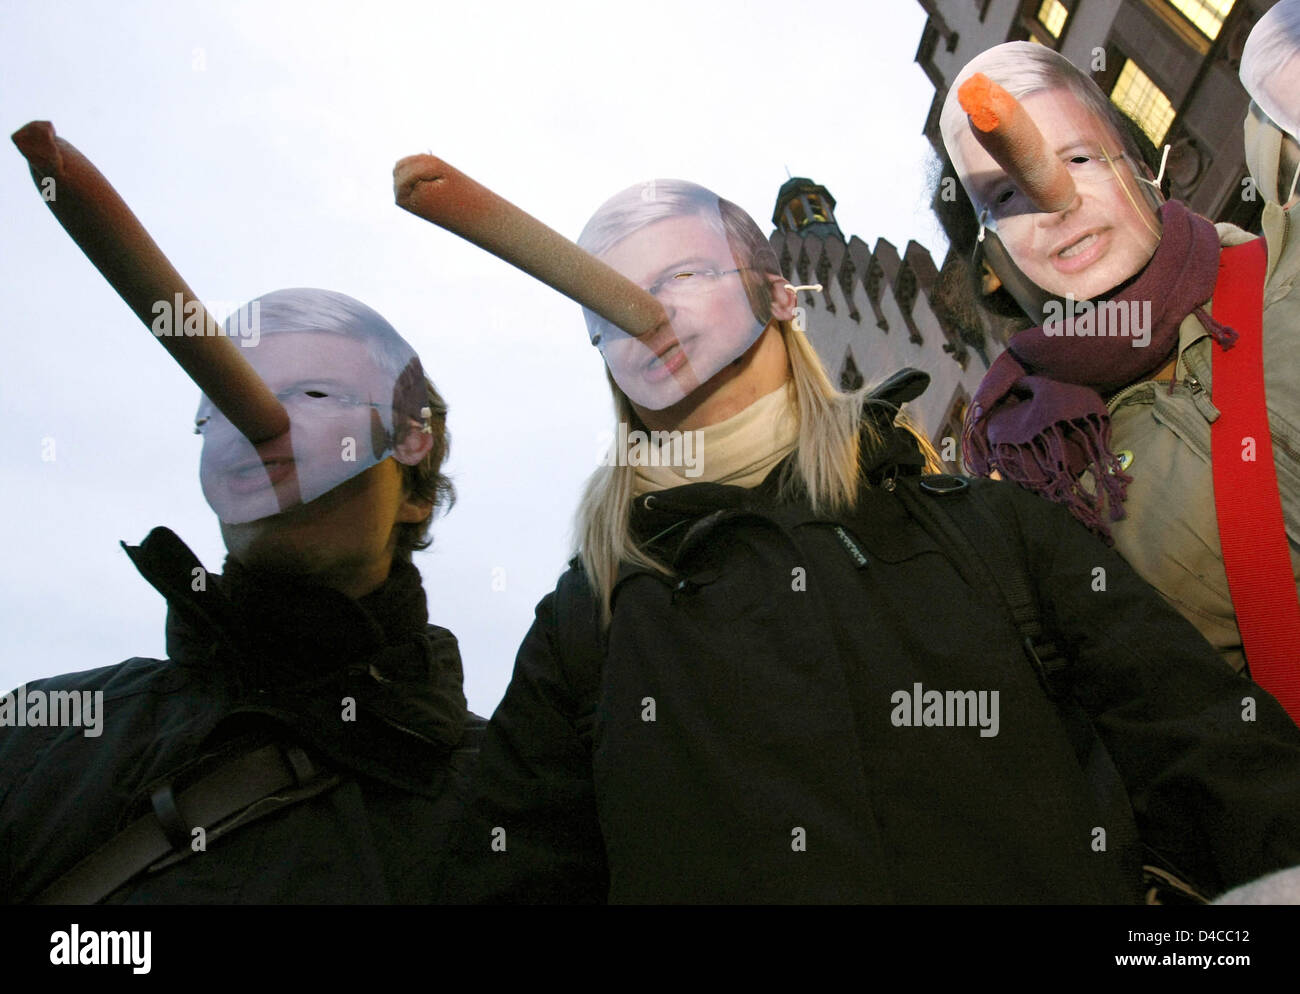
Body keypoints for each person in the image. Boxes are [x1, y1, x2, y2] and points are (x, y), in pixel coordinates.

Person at [440, 180, 1300, 904]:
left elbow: (1218, 760)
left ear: (780, 295)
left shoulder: (990, 526)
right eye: (615, 298)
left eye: (688, 272)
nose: (655, 310)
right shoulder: (584, 629)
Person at [0, 288, 481, 904]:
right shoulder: (43, 735)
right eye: (228, 406)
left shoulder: (506, 798)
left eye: (316, 396)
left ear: (415, 492)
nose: (264, 427)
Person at [937, 41, 1300, 684]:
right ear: (991, 268)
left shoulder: (1288, 267)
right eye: (1008, 195)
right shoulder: (1043, 499)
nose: (1057, 200)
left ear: (1141, 167)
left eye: (1079, 157)